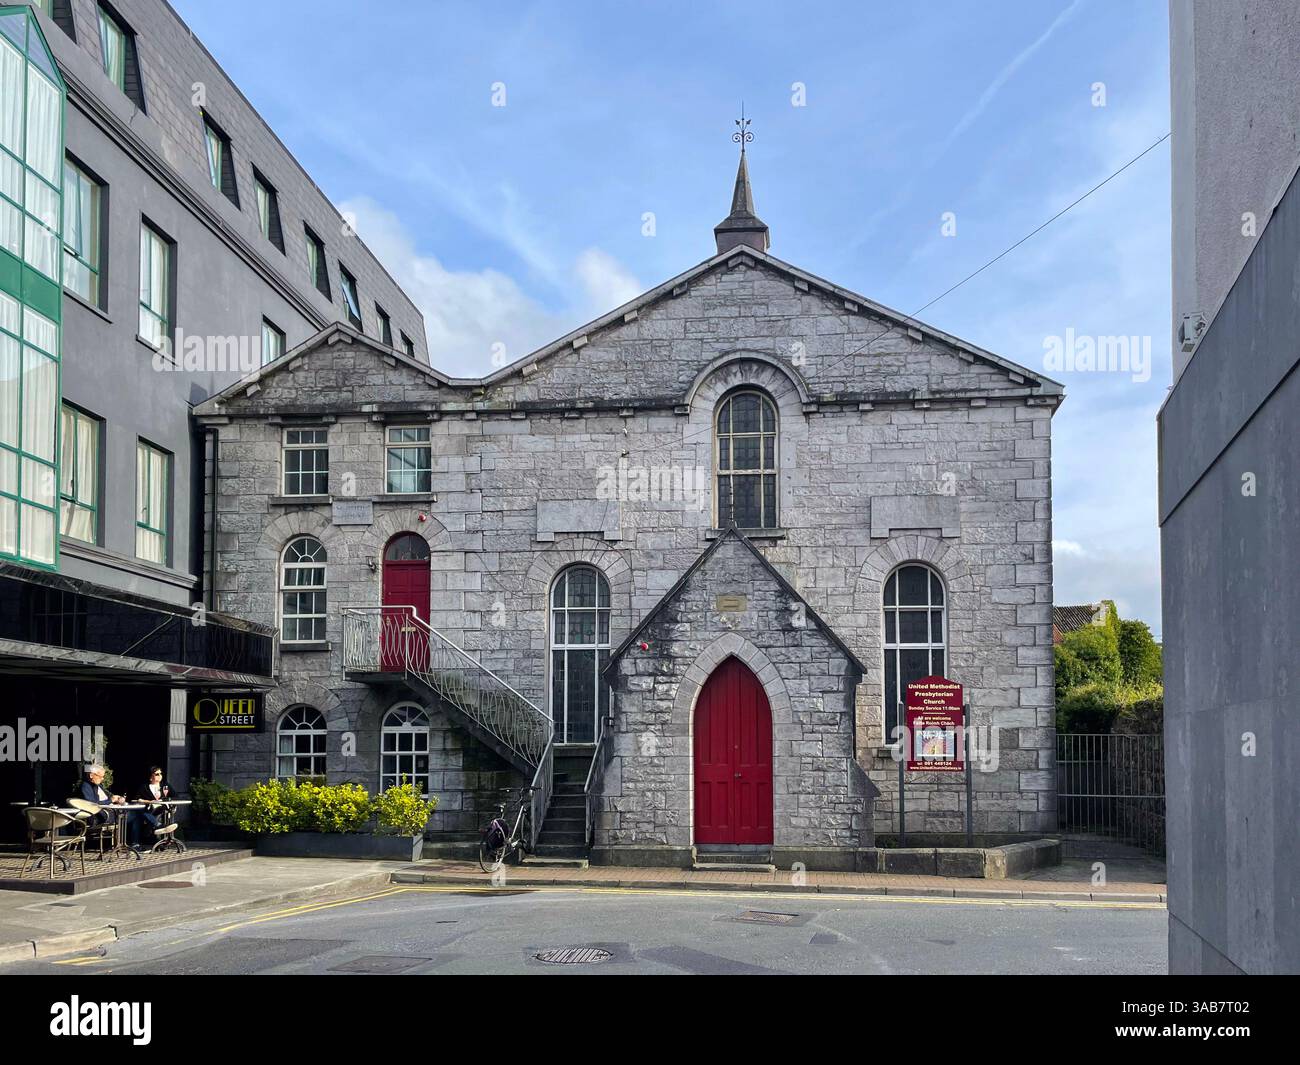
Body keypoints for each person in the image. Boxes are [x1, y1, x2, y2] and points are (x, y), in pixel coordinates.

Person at [80, 764, 140, 849]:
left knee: (134, 811)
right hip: (99, 817)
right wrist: (110, 800)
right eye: (101, 776)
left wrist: (118, 798)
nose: (103, 779)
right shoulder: (86, 786)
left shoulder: (98, 785)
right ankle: (130, 844)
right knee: (134, 816)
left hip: (109, 812)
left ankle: (125, 844)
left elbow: (110, 795)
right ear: (91, 775)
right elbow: (92, 804)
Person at [134, 767, 172, 846]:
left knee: (140, 815)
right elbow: (137, 799)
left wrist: (165, 799)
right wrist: (149, 802)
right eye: (157, 774)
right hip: (149, 809)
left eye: (161, 773)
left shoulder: (165, 786)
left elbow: (176, 796)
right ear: (151, 777)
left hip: (161, 809)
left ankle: (151, 832)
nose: (160, 775)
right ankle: (158, 826)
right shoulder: (144, 787)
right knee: (139, 813)